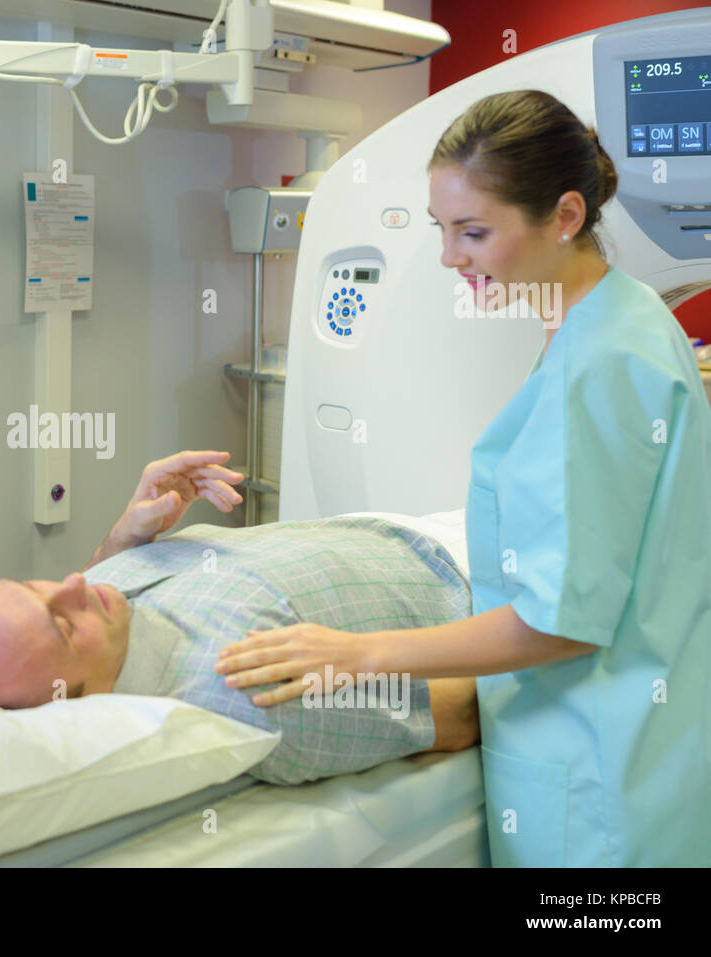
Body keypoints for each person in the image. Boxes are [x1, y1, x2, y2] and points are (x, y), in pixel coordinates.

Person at [217, 91, 711, 866]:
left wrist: (358, 654)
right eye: (440, 229)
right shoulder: (628, 315)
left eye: (474, 231)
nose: (450, 257)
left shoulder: (601, 364)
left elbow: (562, 620)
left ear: (567, 214)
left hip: (600, 793)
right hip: (638, 754)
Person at [0, 451, 481, 786]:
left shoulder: (98, 609)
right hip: (477, 580)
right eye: (61, 624)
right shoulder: (246, 693)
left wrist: (126, 536)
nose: (78, 584)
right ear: (73, 704)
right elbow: (459, 716)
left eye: (39, 587)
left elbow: (79, 595)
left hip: (397, 524)